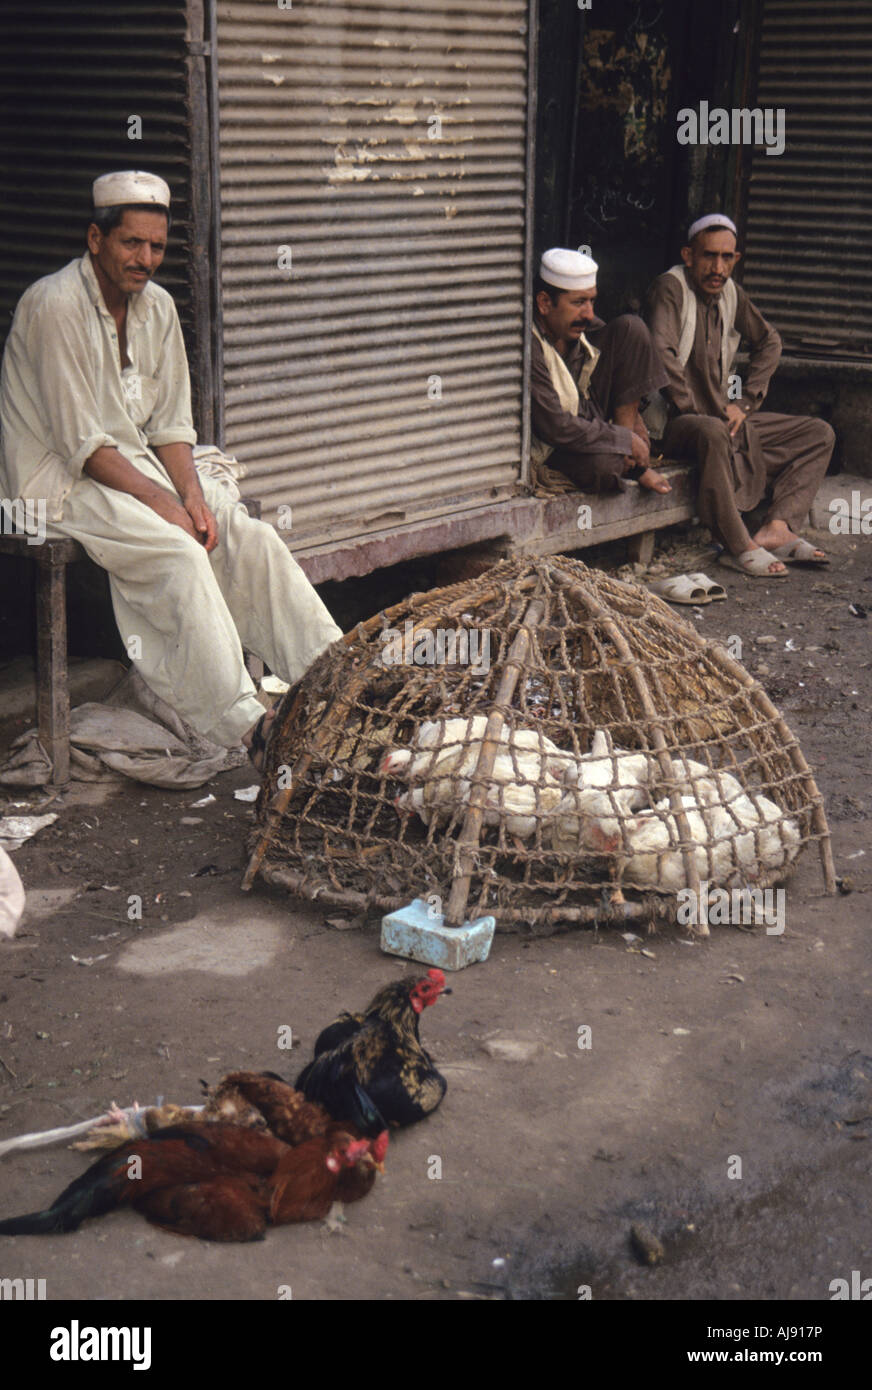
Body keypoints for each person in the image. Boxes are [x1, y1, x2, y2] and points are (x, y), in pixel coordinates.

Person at [0, 170, 342, 766]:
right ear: (95, 239)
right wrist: (167, 508)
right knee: (178, 552)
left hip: (126, 467)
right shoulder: (53, 304)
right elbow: (83, 445)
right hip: (52, 481)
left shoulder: (157, 308)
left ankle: (338, 681)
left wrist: (192, 497)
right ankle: (251, 729)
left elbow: (171, 429)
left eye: (156, 247)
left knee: (243, 535)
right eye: (132, 243)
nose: (146, 259)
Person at [646, 213, 835, 577]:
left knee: (818, 434)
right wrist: (702, 411)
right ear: (688, 255)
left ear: (736, 259)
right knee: (715, 431)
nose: (718, 267)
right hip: (671, 424)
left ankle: (777, 527)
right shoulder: (669, 288)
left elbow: (770, 341)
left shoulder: (730, 292)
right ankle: (736, 544)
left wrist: (745, 404)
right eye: (708, 256)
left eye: (727, 257)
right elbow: (661, 354)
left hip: (722, 420)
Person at [530, 247, 672, 496]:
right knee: (605, 468)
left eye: (592, 301)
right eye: (578, 303)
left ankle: (627, 458)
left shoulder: (585, 327)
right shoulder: (530, 345)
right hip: (554, 443)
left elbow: (624, 376)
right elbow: (555, 427)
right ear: (544, 303)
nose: (589, 313)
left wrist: (631, 431)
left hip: (590, 423)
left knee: (632, 328)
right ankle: (628, 463)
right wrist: (624, 441)